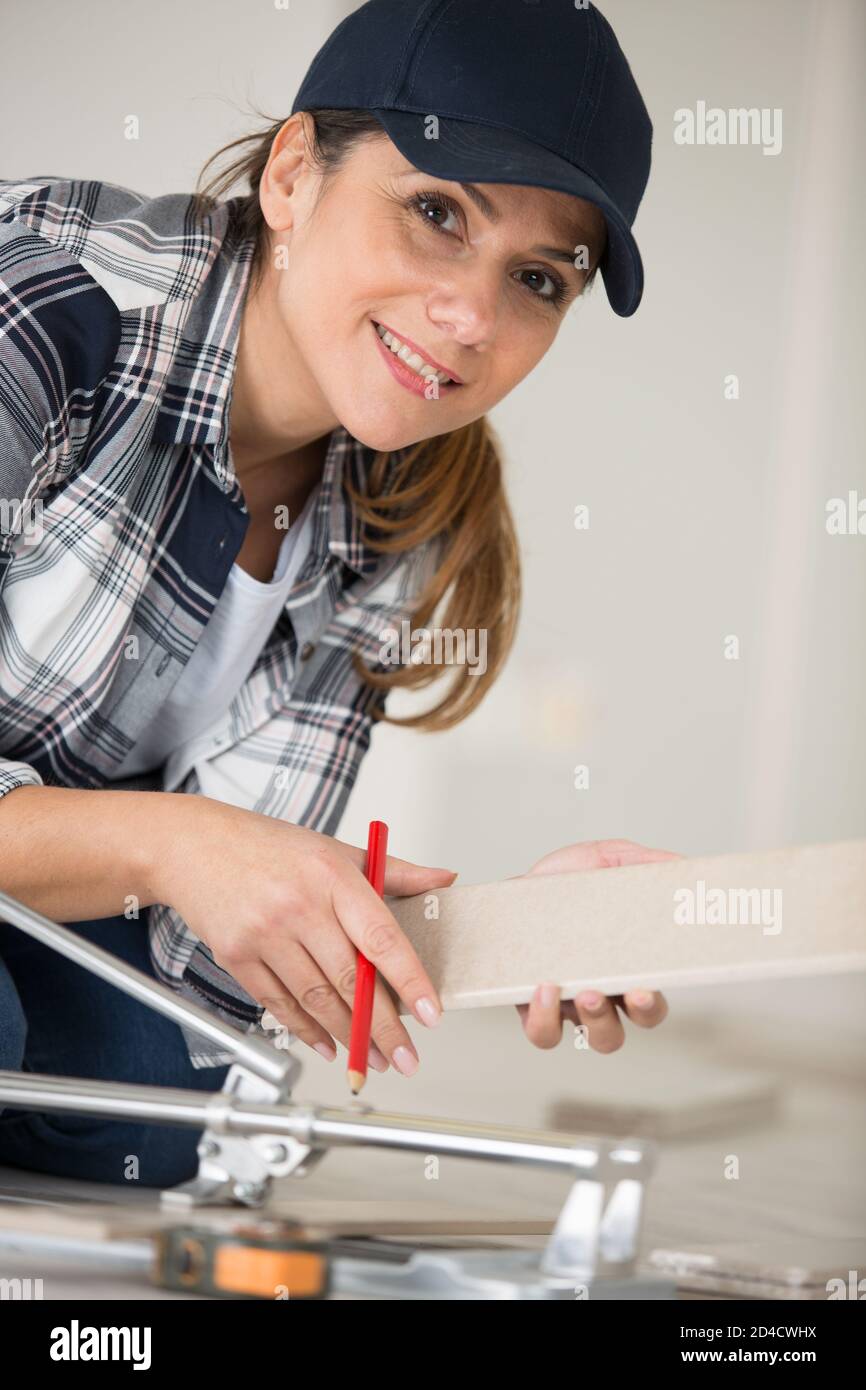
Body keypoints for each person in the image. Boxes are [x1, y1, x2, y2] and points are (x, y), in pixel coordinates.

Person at [0, 0, 673, 1189]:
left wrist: (502, 933)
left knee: (158, 1114)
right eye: (433, 213)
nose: (470, 320)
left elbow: (220, 939)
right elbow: (197, 857)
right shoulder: (50, 312)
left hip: (50, 896)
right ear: (296, 174)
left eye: (535, 278)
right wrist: (174, 845)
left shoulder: (408, 499)